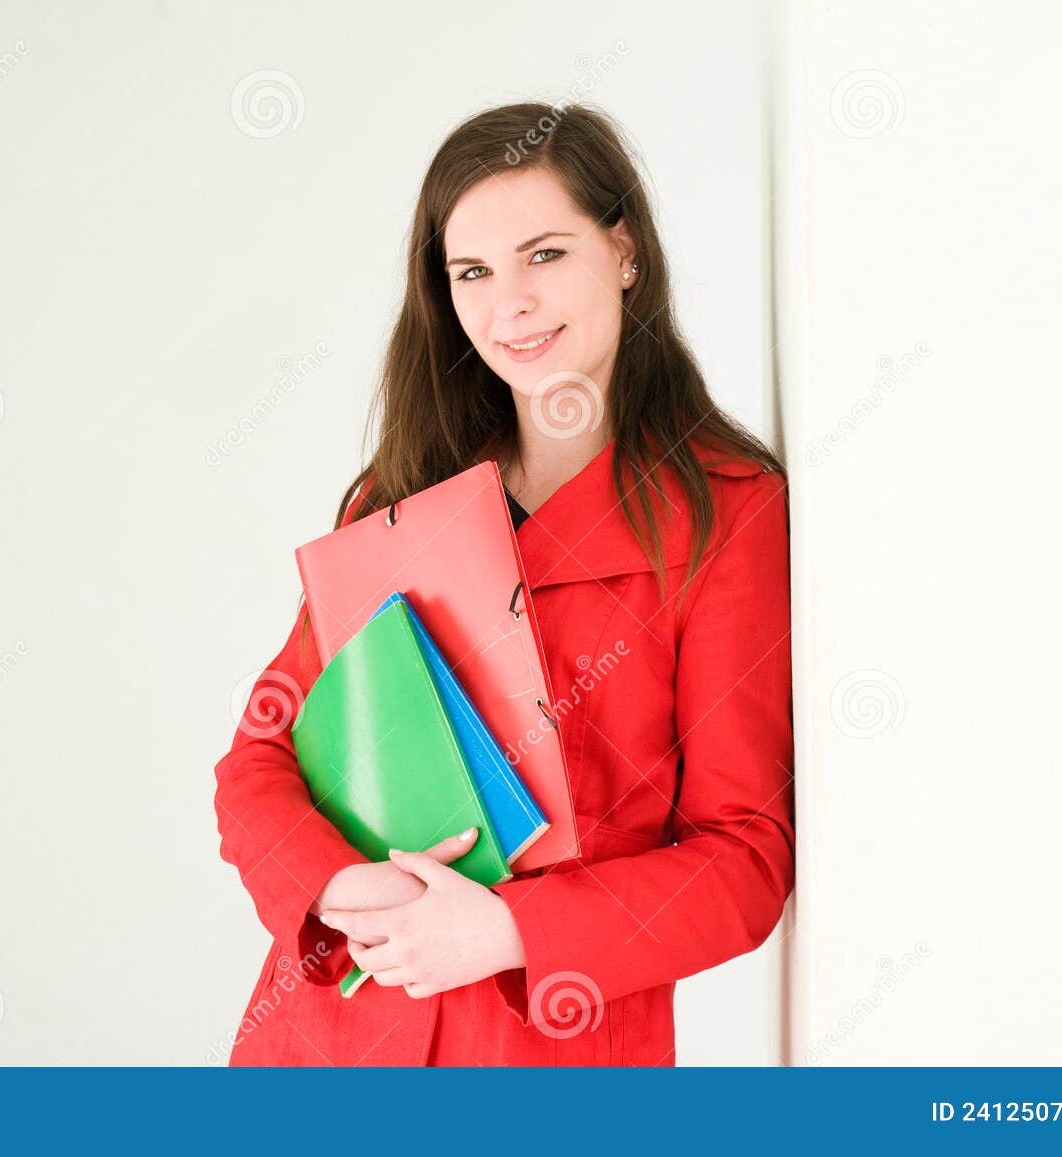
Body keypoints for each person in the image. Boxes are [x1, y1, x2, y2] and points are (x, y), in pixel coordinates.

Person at [214, 102, 794, 1066]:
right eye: (473, 272)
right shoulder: (397, 495)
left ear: (625, 252)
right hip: (330, 1045)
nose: (510, 303)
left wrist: (508, 931)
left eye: (545, 254)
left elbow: (744, 860)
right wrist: (330, 886)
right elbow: (258, 759)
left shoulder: (724, 510)